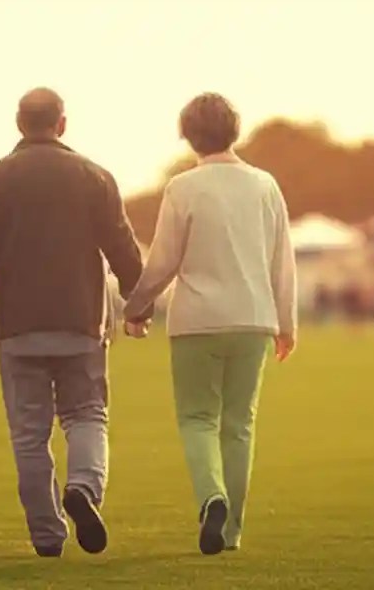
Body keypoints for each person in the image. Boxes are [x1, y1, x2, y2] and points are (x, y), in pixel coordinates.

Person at [0, 87, 146, 558]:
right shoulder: (95, 177)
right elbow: (123, 249)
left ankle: (47, 537)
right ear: (62, 124)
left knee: (29, 436)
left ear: (19, 125)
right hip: (81, 323)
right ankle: (83, 489)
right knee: (86, 415)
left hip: (18, 329)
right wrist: (140, 304)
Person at [122, 92, 297, 556]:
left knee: (197, 419)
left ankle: (210, 498)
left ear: (188, 136)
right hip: (254, 319)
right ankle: (232, 530)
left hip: (196, 321)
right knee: (239, 426)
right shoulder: (265, 186)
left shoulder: (183, 188)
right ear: (234, 130)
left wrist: (136, 307)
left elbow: (162, 262)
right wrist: (287, 323)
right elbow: (283, 261)